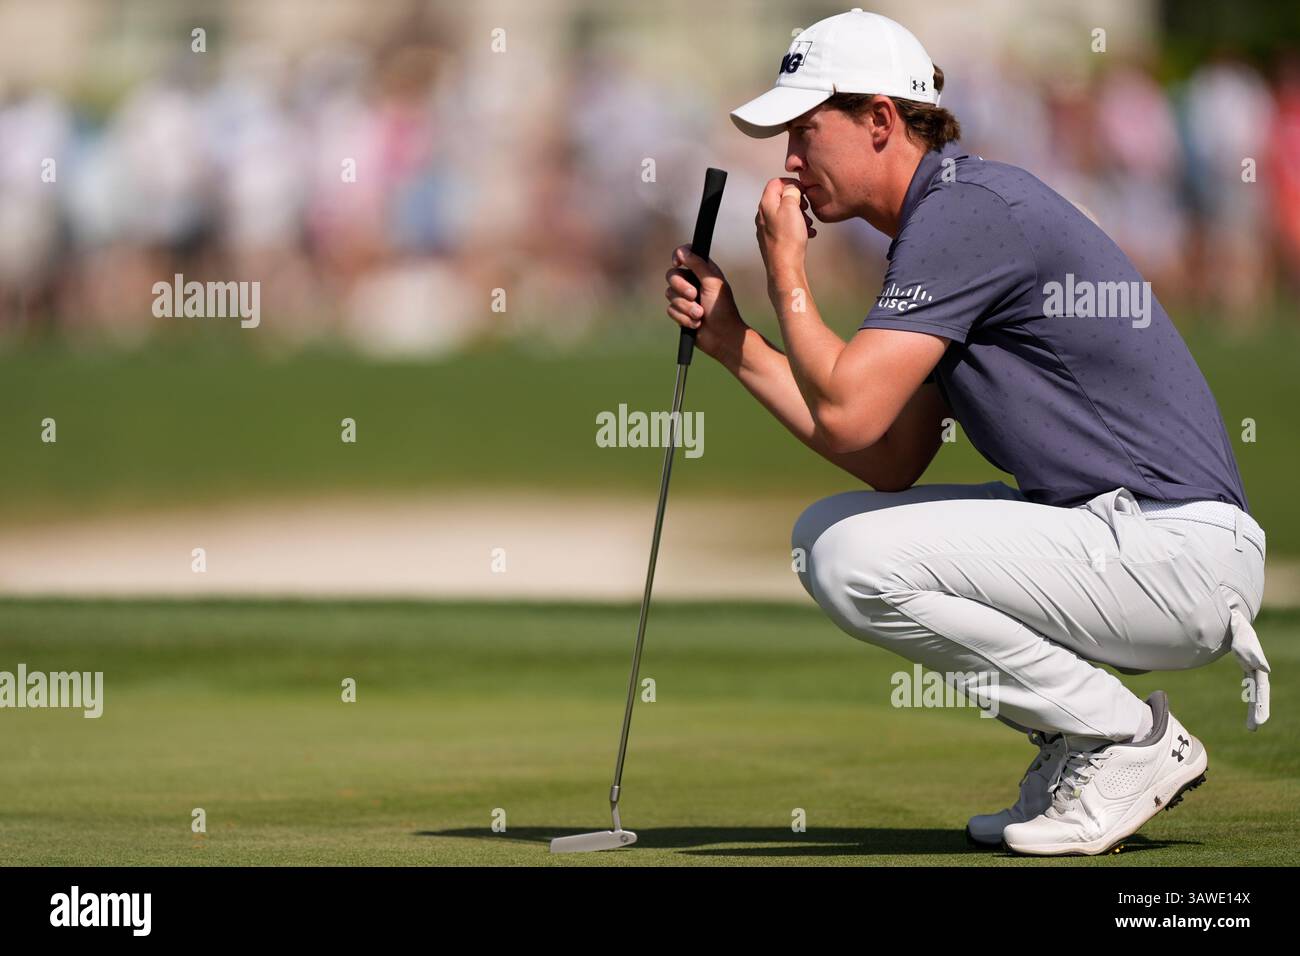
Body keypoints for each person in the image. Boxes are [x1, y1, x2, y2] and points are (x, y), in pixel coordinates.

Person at [664, 8, 1269, 856]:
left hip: (1176, 551)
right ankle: (1088, 739)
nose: (790, 162)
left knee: (844, 554)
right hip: (1138, 543)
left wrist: (786, 274)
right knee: (832, 537)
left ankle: (1121, 740)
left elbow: (847, 410)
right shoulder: (944, 219)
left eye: (805, 131)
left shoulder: (963, 215)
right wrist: (733, 341)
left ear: (880, 120)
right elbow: (889, 457)